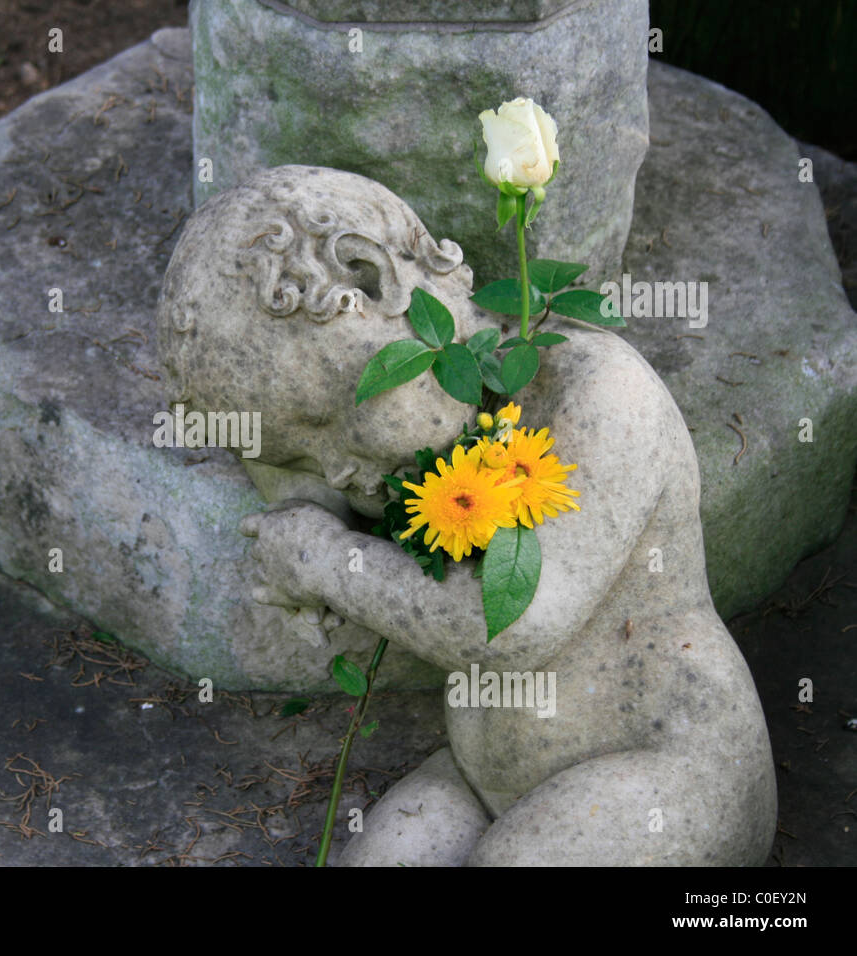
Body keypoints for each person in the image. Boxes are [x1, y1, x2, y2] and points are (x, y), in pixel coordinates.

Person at [157, 165, 776, 865]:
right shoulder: (406, 433)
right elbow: (290, 468)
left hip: (662, 768)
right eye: (301, 455)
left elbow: (515, 621)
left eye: (324, 421)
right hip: (484, 775)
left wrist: (325, 561)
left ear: (370, 282)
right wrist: (294, 485)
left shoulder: (602, 394)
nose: (333, 473)